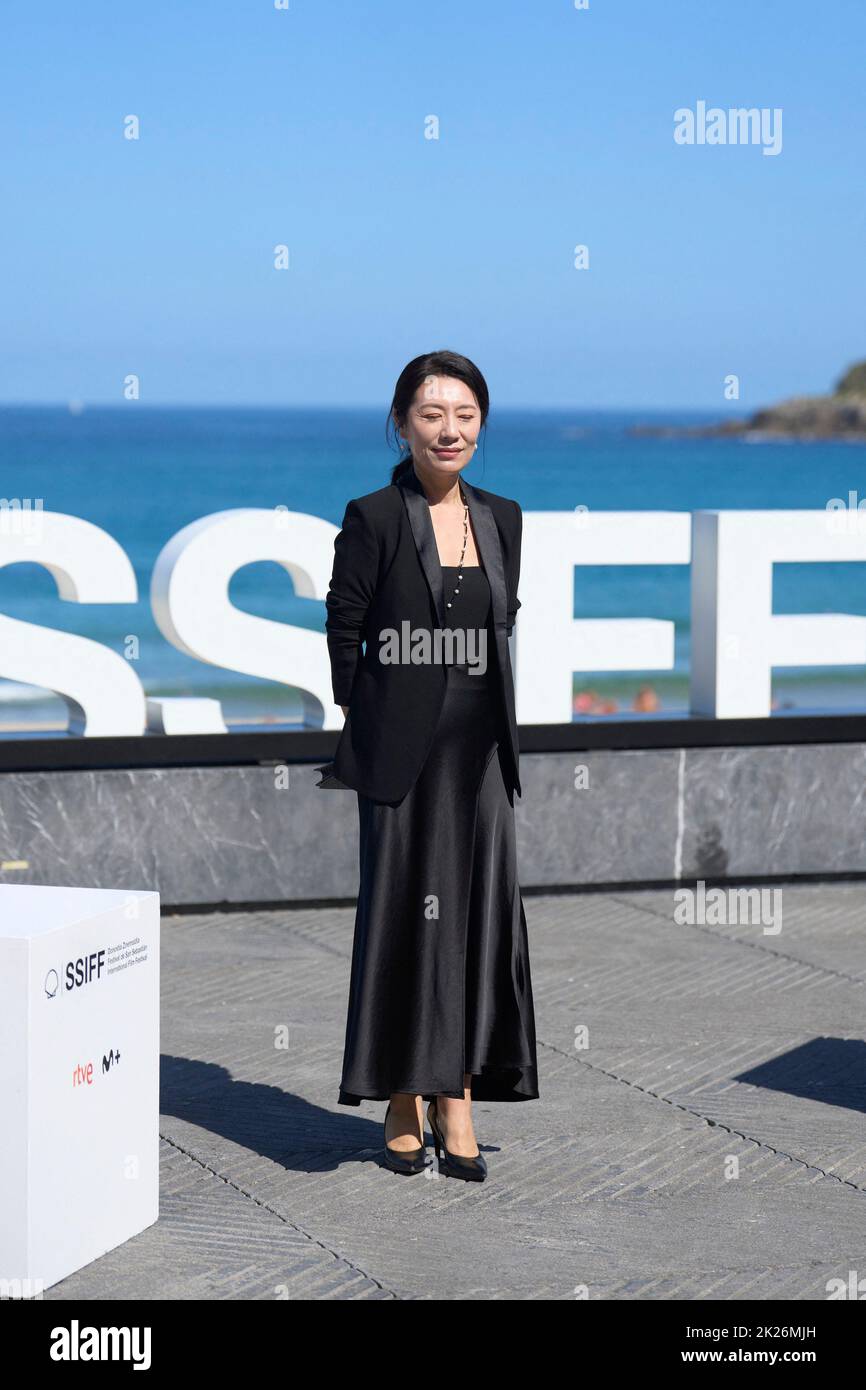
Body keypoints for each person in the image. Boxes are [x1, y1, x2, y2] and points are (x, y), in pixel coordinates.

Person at [317, 349, 539, 1182]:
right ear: (402, 423)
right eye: (432, 414)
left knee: (476, 927)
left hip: (480, 754)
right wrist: (367, 713)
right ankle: (404, 1095)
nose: (449, 429)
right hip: (399, 756)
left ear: (481, 425)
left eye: (465, 415)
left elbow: (500, 625)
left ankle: (458, 1095)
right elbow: (346, 627)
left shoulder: (504, 516)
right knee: (405, 921)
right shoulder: (373, 515)